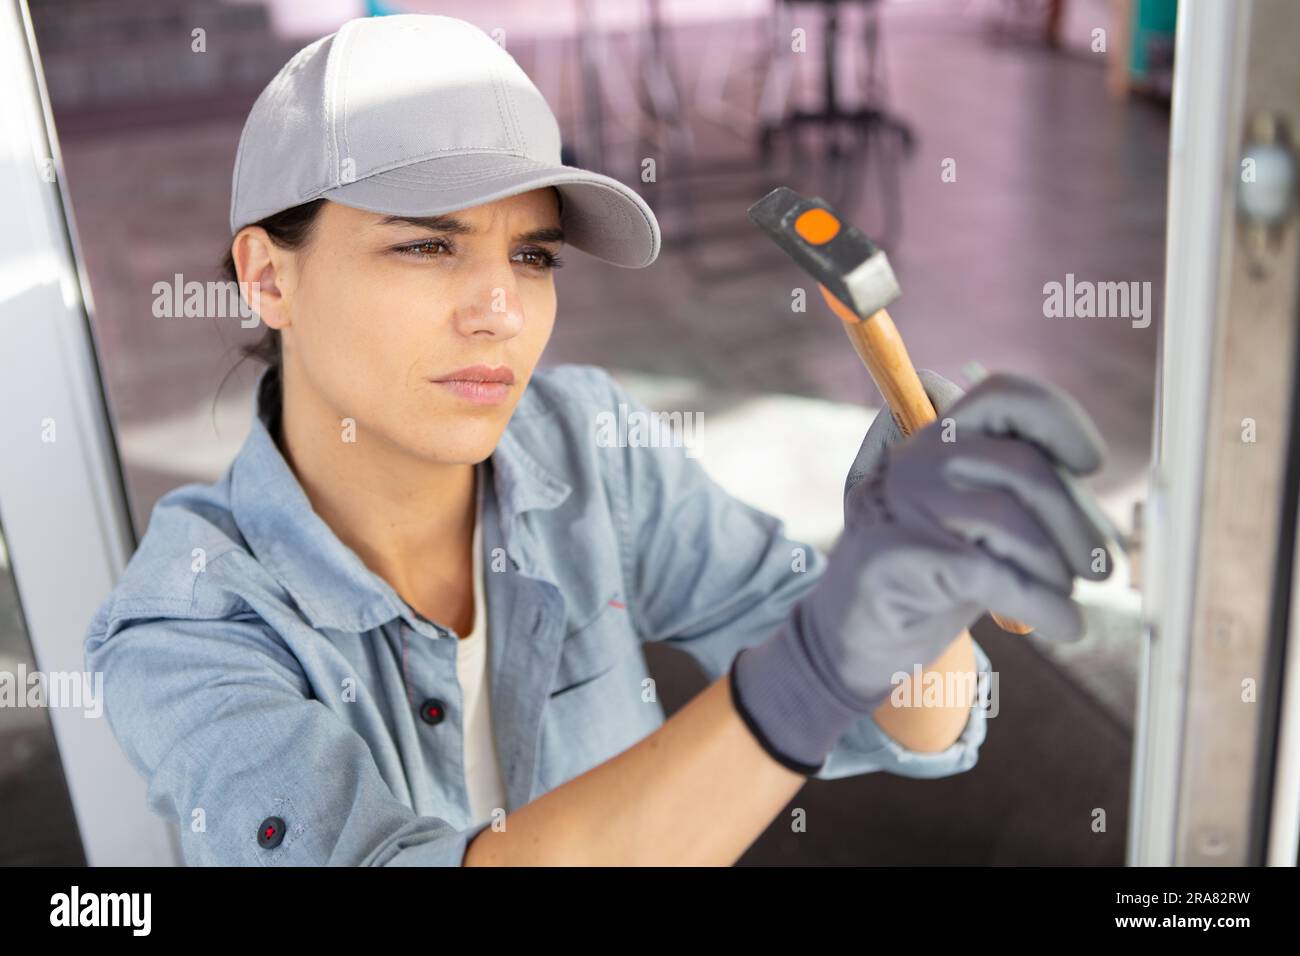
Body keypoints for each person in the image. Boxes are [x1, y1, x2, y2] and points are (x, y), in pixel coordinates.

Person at [83, 14, 1112, 866]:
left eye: (532, 254)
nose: (499, 309)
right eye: (428, 244)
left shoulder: (589, 448)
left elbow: (912, 727)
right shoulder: (187, 628)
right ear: (269, 276)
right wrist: (813, 662)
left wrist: (914, 604)